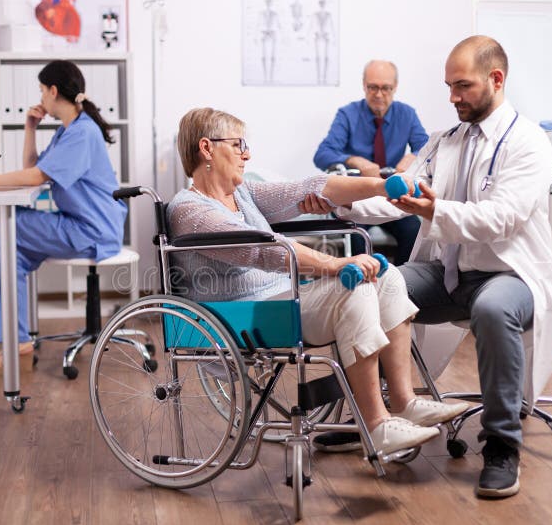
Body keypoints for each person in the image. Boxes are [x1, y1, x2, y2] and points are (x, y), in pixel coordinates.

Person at [305, 36, 552, 498]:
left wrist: (434, 210)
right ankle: (373, 419)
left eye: (463, 86)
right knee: (371, 285)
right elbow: (398, 197)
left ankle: (501, 445)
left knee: (493, 310)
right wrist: (341, 209)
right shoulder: (444, 142)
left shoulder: (530, 143)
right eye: (448, 86)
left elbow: (502, 218)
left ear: (496, 80)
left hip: (510, 276)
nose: (452, 97)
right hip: (449, 274)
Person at [167, 107, 468, 456]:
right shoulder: (188, 209)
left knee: (387, 278)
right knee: (352, 289)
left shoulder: (244, 194)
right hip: (239, 318)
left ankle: (404, 401)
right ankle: (377, 424)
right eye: (238, 144)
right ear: (207, 148)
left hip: (278, 303)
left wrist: (381, 185)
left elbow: (308, 188)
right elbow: (261, 251)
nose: (246, 153)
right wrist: (336, 264)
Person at [0, 60, 127, 375]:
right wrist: (29, 127)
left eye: (42, 91)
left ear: (54, 91)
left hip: (91, 230)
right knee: (5, 252)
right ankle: (19, 344)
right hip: (79, 225)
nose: (40, 98)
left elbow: (34, 178)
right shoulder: (68, 131)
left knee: (0, 220)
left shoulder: (81, 133)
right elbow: (34, 169)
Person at [313, 60, 428, 264]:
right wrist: (355, 160)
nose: (379, 94)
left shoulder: (407, 114)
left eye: (386, 88)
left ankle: (402, 285)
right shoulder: (348, 114)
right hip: (357, 197)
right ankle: (363, 289)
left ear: (395, 88)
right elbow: (322, 154)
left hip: (392, 198)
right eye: (373, 87)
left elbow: (429, 149)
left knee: (413, 231)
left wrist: (413, 157)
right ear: (364, 85)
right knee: (357, 236)